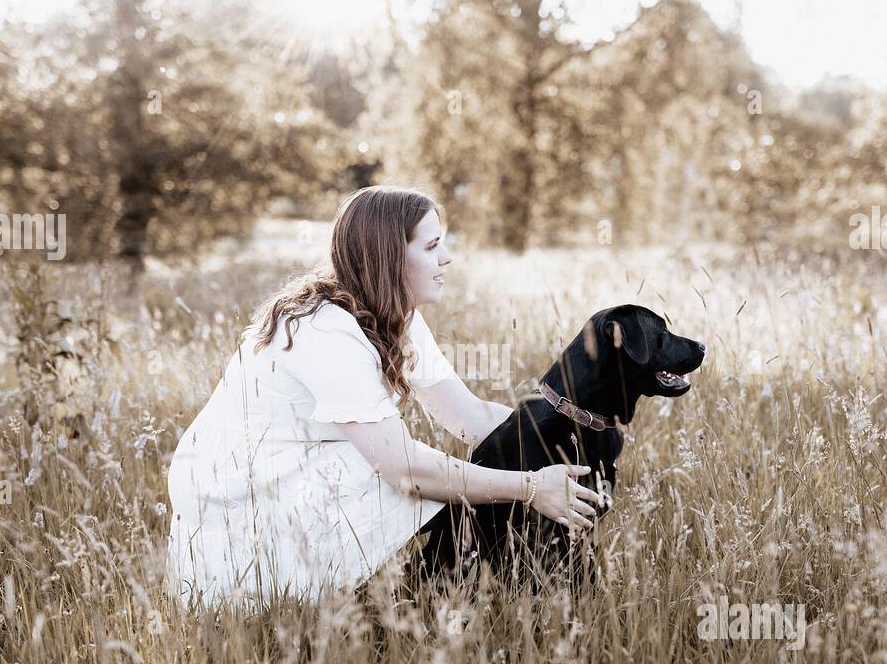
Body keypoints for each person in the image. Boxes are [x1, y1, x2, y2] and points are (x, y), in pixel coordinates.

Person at [165, 185, 601, 607]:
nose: (446, 258)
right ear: (391, 255)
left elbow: (472, 417)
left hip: (304, 471)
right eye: (431, 247)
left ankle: (453, 595)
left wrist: (566, 451)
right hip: (242, 498)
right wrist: (529, 487)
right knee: (395, 472)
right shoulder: (322, 328)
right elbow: (403, 470)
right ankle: (416, 602)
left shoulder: (395, 315)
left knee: (465, 471)